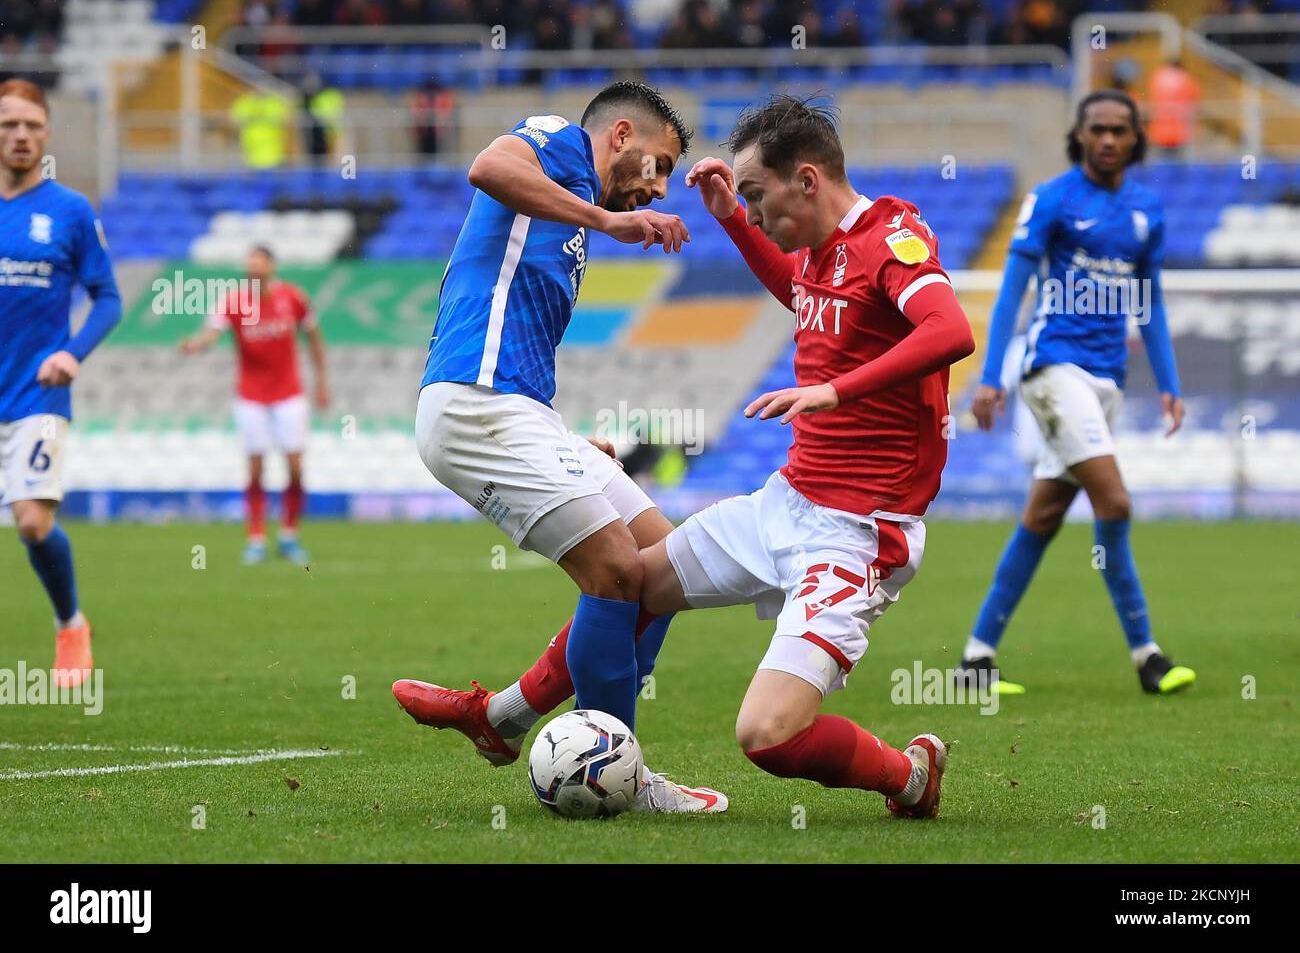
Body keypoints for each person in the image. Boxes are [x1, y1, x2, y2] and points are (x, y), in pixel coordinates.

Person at [409, 96, 976, 820]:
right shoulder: (821, 258)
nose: (756, 211)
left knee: (765, 735)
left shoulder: (893, 234)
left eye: (758, 196)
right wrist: (732, 221)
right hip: (785, 502)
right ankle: (533, 729)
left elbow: (951, 330)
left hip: (858, 533)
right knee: (630, 580)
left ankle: (909, 776)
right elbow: (799, 295)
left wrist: (834, 389)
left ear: (807, 180)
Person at [391, 81, 727, 813]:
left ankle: (501, 718)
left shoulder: (571, 219)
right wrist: (605, 217)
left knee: (660, 565)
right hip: (475, 406)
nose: (660, 185)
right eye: (659, 164)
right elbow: (487, 167)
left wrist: (568, 439)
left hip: (524, 412)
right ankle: (625, 781)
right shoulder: (554, 138)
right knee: (613, 569)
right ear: (620, 135)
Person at [961, 90, 1195, 696]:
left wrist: (1169, 383)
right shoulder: (1053, 198)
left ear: (1136, 137)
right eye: (1099, 130)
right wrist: (991, 377)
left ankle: (975, 661)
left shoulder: (1147, 211)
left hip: (1106, 382)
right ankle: (1148, 656)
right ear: (1081, 135)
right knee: (1114, 503)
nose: (1110, 140)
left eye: (1120, 130)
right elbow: (1013, 289)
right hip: (1052, 369)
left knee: (1042, 516)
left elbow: (1152, 304)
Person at [0, 79, 122, 686]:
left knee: (31, 522)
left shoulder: (69, 210)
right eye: (9, 125)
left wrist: (72, 353)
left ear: (45, 134)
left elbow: (108, 298)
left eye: (31, 126)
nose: (20, 135)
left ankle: (70, 622)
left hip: (37, 394)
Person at [180, 246, 329, 566]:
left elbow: (314, 337)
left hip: (289, 393)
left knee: (295, 467)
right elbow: (212, 333)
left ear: (271, 266)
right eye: (249, 265)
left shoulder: (293, 297)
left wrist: (322, 382)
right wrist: (196, 345)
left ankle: (289, 534)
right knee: (256, 467)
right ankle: (257, 538)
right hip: (251, 396)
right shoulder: (234, 301)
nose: (253, 269)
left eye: (258, 263)